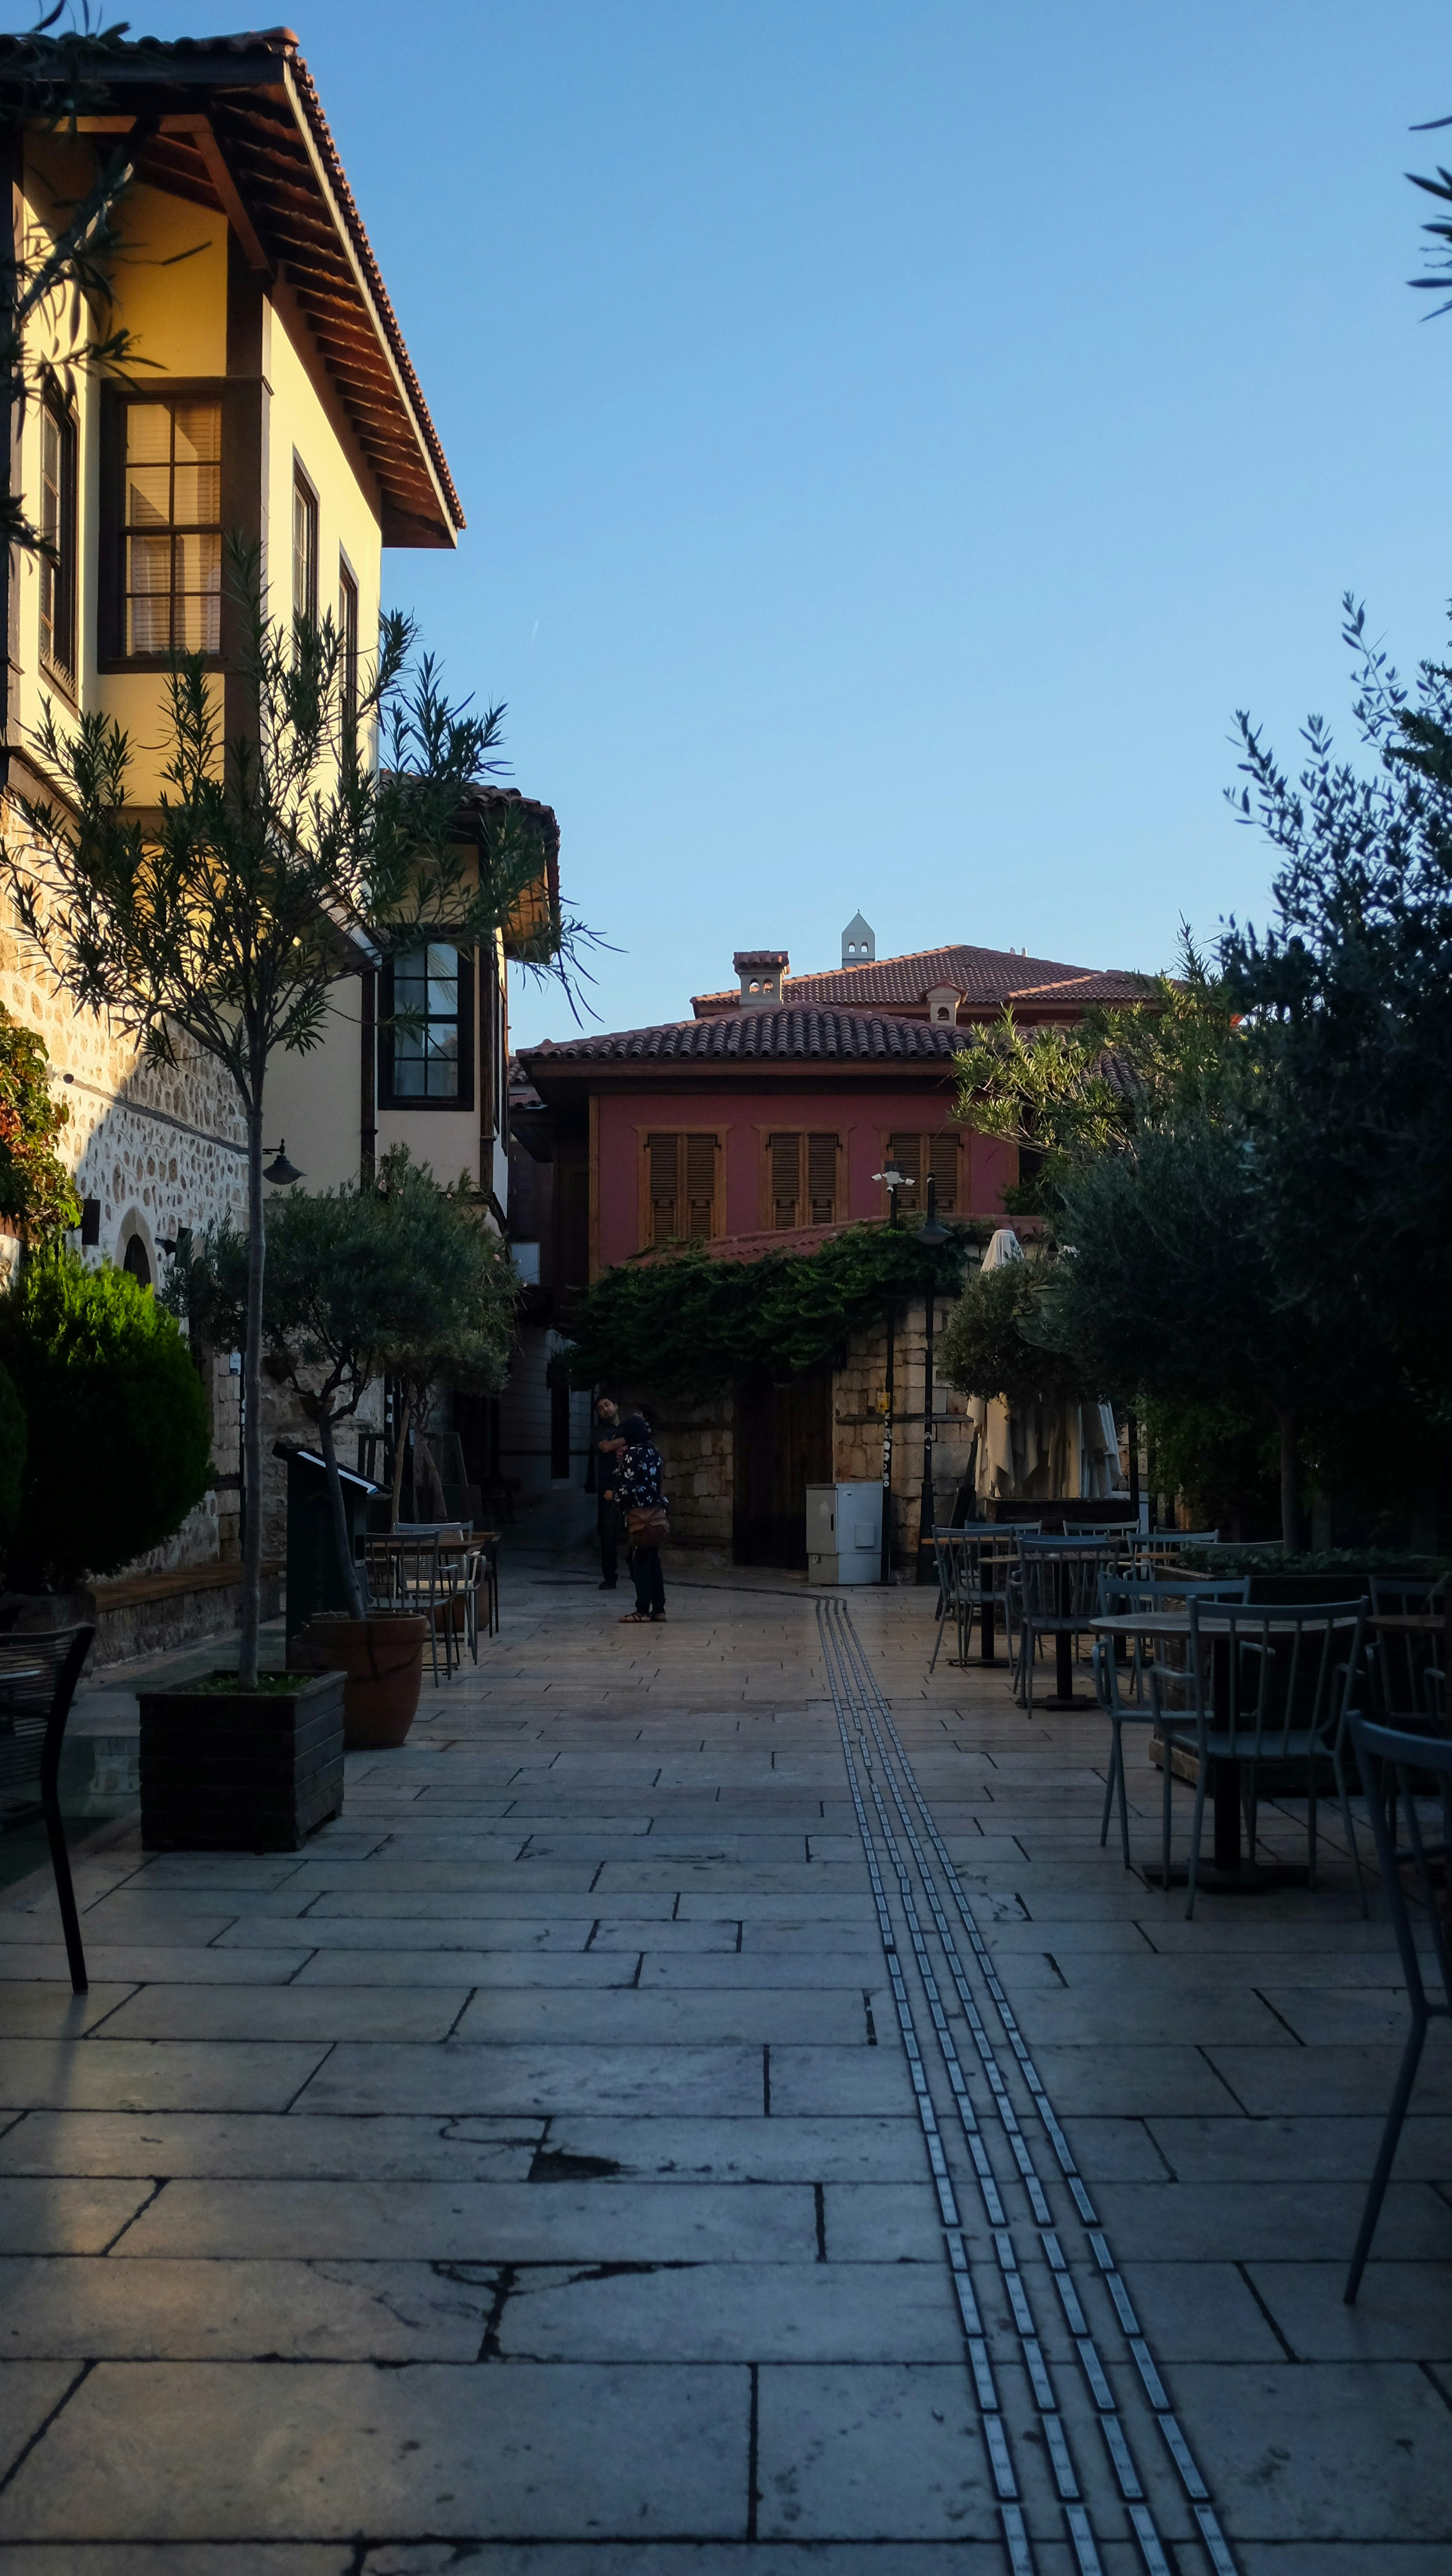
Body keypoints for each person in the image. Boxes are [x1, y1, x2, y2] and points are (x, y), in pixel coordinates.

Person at [616, 1412, 668, 1623]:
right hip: (656, 1513)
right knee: (653, 1559)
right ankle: (659, 1608)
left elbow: (627, 1487)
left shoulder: (632, 1454)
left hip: (640, 1515)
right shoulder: (654, 1452)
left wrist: (615, 1498)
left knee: (640, 1561)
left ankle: (642, 1610)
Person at [593, 1395, 624, 1591]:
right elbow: (605, 1447)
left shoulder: (626, 1426)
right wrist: (628, 1437)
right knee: (609, 1533)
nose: (605, 1409)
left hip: (629, 1483)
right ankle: (610, 1577)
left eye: (607, 1404)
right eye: (600, 1408)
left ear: (616, 1405)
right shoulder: (598, 1431)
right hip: (608, 1486)